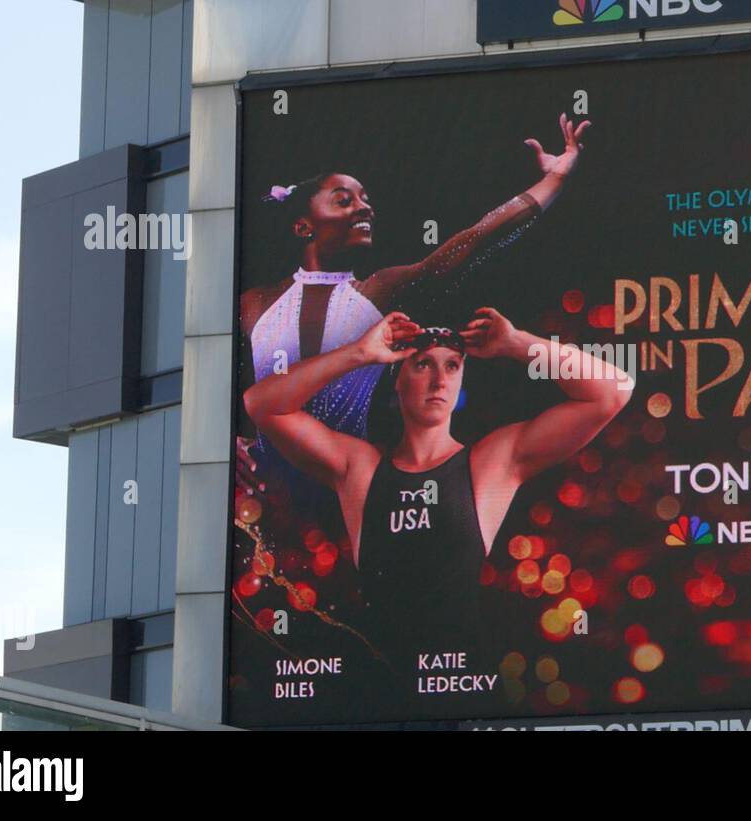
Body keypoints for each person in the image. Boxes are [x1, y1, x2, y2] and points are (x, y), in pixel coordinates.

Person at [242, 308, 632, 675]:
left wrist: (517, 343)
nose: (439, 380)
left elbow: (613, 392)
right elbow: (261, 403)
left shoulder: (489, 463)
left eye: (452, 366)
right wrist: (358, 353)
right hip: (374, 693)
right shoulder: (359, 469)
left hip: (464, 689)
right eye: (423, 364)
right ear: (397, 379)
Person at [236, 115, 592, 496]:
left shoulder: (379, 293)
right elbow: (215, 387)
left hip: (347, 494)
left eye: (366, 200)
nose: (364, 208)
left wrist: (554, 180)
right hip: (266, 495)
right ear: (302, 226)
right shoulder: (255, 304)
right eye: (345, 201)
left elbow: (475, 240)